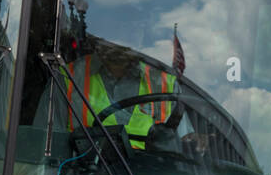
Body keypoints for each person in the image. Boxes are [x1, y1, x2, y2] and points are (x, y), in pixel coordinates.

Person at [45, 44, 180, 151]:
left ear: (141, 34)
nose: (119, 43)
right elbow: (46, 144)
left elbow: (183, 143)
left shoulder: (166, 83)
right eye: (113, 28)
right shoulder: (67, 77)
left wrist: (196, 139)